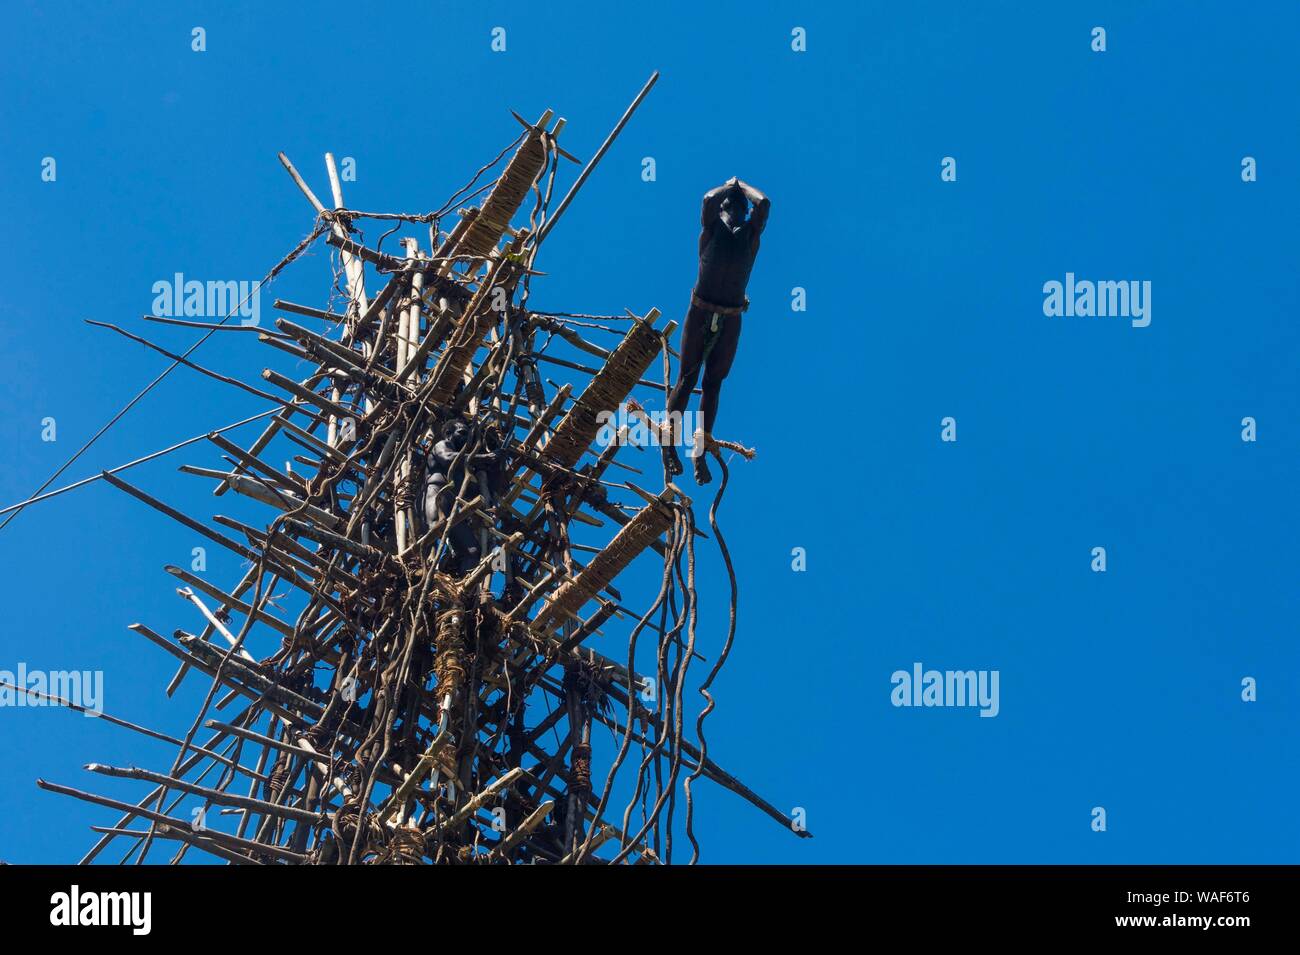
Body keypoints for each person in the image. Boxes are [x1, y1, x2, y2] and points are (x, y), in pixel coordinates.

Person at [663, 177, 769, 483]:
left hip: (731, 315)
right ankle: (669, 443)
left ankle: (700, 449)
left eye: (738, 207)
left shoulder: (751, 235)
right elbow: (708, 200)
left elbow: (763, 204)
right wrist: (730, 187)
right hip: (700, 310)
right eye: (729, 206)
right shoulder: (709, 232)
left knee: (714, 382)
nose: (733, 211)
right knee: (687, 379)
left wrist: (741, 185)